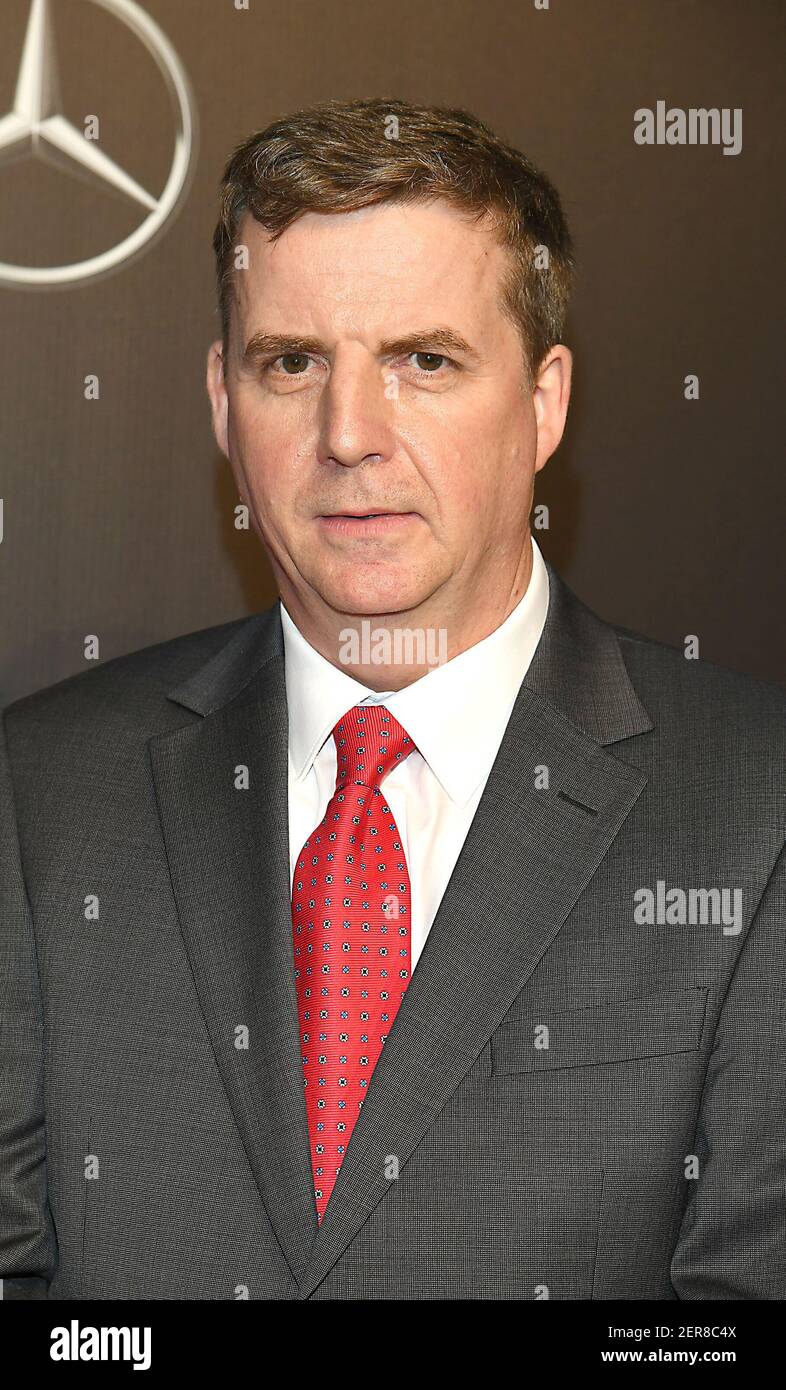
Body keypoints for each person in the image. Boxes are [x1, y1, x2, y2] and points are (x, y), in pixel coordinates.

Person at [1, 97, 783, 1301]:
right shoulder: (41, 790)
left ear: (545, 400)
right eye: (291, 362)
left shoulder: (756, 805)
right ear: (223, 401)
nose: (348, 432)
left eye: (425, 360)